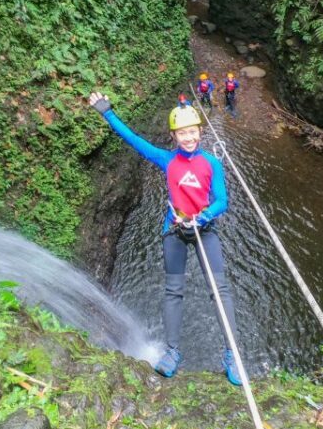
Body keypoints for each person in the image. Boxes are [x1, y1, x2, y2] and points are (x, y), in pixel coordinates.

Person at [88, 91, 242, 386]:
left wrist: (204, 216)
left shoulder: (212, 164)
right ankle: (172, 352)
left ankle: (232, 354)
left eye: (193, 131)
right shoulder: (166, 160)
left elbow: (222, 200)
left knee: (219, 290)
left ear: (200, 131)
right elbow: (134, 140)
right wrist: (107, 114)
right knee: (173, 290)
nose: (188, 138)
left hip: (204, 229)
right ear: (174, 135)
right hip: (174, 230)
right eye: (182, 133)